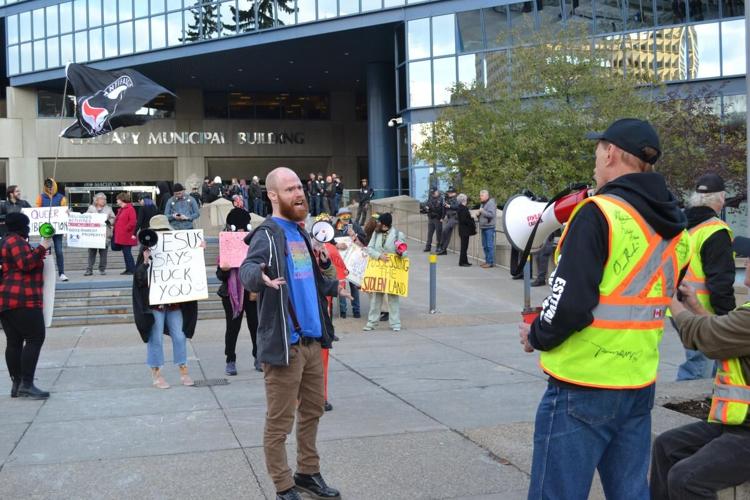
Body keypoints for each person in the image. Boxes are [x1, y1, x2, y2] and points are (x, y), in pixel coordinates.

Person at [518, 118, 690, 499]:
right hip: (637, 382)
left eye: (598, 151)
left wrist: (538, 335)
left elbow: (569, 304)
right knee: (630, 492)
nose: (595, 160)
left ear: (610, 152)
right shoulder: (674, 225)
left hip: (583, 384)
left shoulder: (599, 213)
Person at [240, 167, 344, 500]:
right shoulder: (267, 234)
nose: (298, 194)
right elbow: (247, 269)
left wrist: (334, 284)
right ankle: (283, 485)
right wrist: (260, 277)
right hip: (286, 346)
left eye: (299, 187)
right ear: (273, 195)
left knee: (313, 411)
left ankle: (307, 473)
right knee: (279, 421)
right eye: (289, 189)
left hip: (313, 342)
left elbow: (309, 281)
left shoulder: (301, 234)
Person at [650, 238, 750, 499]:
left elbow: (706, 337)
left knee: (686, 479)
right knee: (666, 446)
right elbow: (722, 336)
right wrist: (694, 306)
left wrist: (669, 298)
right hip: (738, 425)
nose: (746, 264)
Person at [675, 172, 735, 381]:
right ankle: (683, 411)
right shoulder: (715, 230)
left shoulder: (681, 224)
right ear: (720, 199)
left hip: (677, 307)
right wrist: (726, 318)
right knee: (699, 369)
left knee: (700, 365)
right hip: (701, 309)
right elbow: (721, 280)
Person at [133, 215, 197, 389]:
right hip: (155, 305)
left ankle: (183, 369)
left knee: (179, 335)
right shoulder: (145, 252)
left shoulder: (175, 248)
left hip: (174, 303)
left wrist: (197, 252)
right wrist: (146, 261)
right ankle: (157, 373)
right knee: (156, 338)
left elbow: (189, 267)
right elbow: (139, 280)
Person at [0, 213, 53, 399]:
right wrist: (42, 247)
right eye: (27, 225)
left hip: (7, 299)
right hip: (23, 297)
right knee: (35, 337)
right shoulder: (15, 241)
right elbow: (26, 263)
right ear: (22, 226)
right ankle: (27, 384)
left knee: (14, 342)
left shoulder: (8, 241)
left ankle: (17, 383)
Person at [218, 207, 259, 376]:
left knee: (255, 325)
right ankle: (230, 360)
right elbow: (220, 275)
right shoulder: (226, 242)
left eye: (244, 227)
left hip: (250, 291)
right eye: (238, 227)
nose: (241, 230)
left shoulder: (253, 242)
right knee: (232, 327)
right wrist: (226, 270)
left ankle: (258, 357)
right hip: (231, 292)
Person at [363, 212, 406, 332]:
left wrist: (400, 252)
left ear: (384, 224)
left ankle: (395, 323)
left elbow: (404, 252)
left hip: (392, 271)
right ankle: (372, 323)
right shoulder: (376, 234)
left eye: (379, 222)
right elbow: (369, 248)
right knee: (376, 297)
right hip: (378, 270)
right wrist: (379, 256)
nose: (377, 224)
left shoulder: (398, 235)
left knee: (393, 298)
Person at [334, 207, 365, 319]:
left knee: (354, 285)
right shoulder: (333, 228)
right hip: (339, 262)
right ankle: (343, 312)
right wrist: (336, 245)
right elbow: (328, 242)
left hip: (353, 261)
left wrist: (354, 236)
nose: (346, 218)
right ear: (339, 217)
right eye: (343, 216)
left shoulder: (355, 226)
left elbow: (364, 242)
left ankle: (356, 311)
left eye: (348, 216)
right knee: (341, 285)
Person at [35, 177, 68, 281]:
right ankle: (46, 274)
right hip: (45, 229)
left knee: (59, 251)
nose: (50, 188)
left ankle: (61, 273)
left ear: (54, 186)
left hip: (57, 230)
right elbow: (37, 211)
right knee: (45, 252)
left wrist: (67, 215)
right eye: (48, 186)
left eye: (51, 186)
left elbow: (64, 212)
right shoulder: (40, 197)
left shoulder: (61, 198)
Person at [84, 193, 115, 276]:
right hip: (93, 236)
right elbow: (84, 218)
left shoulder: (108, 208)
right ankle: (89, 269)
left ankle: (102, 269)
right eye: (102, 199)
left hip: (104, 235)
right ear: (96, 200)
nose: (104, 200)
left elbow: (113, 218)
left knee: (103, 254)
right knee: (91, 254)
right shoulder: (91, 208)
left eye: (105, 199)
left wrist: (109, 222)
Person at [113, 192, 137, 275]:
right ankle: (128, 269)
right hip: (122, 236)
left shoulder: (130, 208)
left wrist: (125, 229)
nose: (116, 201)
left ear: (122, 199)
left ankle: (132, 269)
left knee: (127, 253)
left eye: (117, 199)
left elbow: (133, 222)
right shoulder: (122, 209)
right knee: (125, 253)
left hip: (127, 235)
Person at [477, 189, 497, 268]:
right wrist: (478, 214)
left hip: (489, 227)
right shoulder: (483, 203)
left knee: (489, 245)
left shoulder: (491, 203)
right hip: (484, 226)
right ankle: (487, 261)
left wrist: (482, 211)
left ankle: (490, 262)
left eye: (481, 196)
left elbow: (491, 215)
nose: (480, 197)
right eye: (480, 195)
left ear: (486, 196)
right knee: (485, 245)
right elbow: (483, 213)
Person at [437, 187, 458, 255]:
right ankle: (443, 250)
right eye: (448, 192)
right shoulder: (448, 199)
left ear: (454, 193)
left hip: (454, 217)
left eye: (450, 192)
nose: (449, 193)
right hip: (449, 218)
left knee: (444, 230)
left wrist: (449, 206)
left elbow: (457, 207)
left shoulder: (456, 199)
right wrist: (442, 217)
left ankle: (441, 246)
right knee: (447, 234)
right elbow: (444, 209)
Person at [456, 194, 475, 267]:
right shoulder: (463, 208)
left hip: (463, 230)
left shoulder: (460, 208)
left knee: (464, 247)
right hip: (465, 230)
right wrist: (471, 218)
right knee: (464, 247)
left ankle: (465, 261)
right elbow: (464, 220)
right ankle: (462, 262)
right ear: (464, 200)